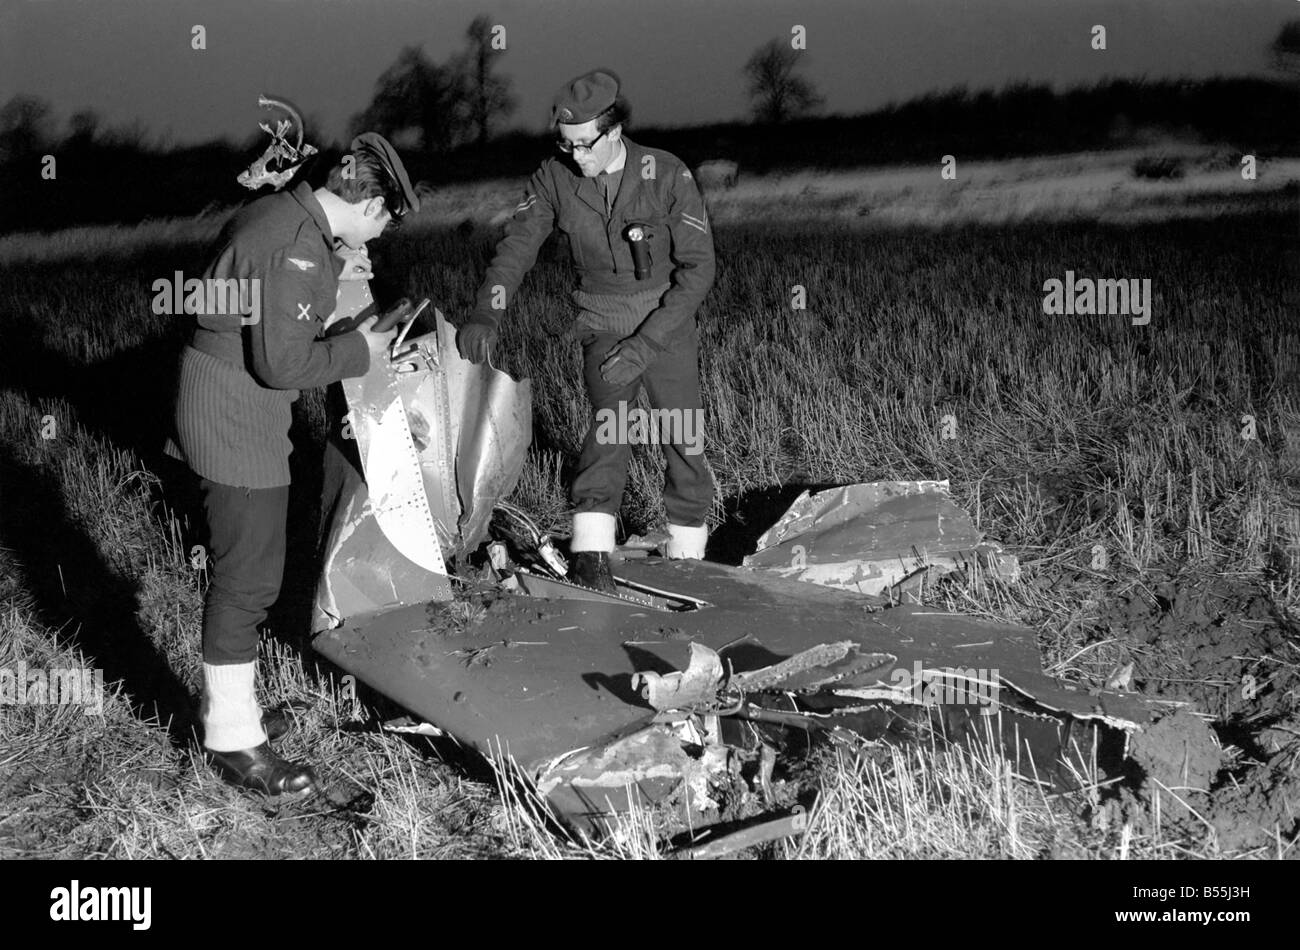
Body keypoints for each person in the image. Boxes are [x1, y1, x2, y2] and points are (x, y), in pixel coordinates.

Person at [163, 133, 419, 795]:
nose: (384, 231)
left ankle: (235, 713)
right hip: (235, 415)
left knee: (250, 569)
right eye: (389, 217)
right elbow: (283, 365)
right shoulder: (297, 244)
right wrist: (362, 352)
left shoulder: (281, 214)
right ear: (370, 204)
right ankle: (231, 741)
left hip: (225, 398)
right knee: (248, 580)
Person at [458, 69, 716, 592]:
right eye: (565, 144)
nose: (575, 155)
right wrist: (488, 310)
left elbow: (700, 270)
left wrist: (647, 343)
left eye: (584, 144)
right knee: (609, 431)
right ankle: (592, 558)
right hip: (601, 320)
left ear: (614, 130)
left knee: (683, 435)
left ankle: (689, 558)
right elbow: (516, 250)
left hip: (664, 324)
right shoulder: (554, 178)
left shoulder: (666, 173)